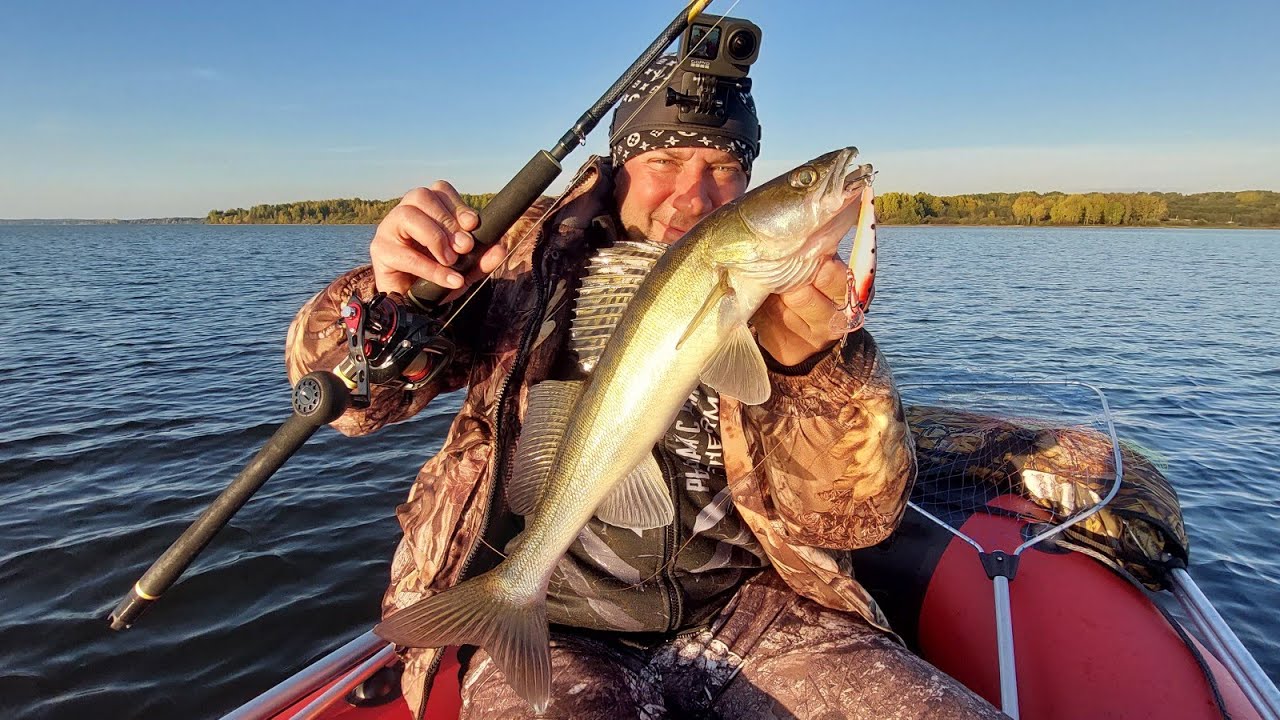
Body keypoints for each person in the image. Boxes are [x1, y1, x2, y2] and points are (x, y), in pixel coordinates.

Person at [286, 55, 1002, 719]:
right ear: (619, 163)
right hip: (561, 626)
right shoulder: (511, 263)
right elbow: (349, 405)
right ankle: (511, 601)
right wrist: (390, 301)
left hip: (757, 613)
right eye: (663, 159)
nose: (693, 195)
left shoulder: (800, 302)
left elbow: (853, 524)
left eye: (725, 166)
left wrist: (807, 366)